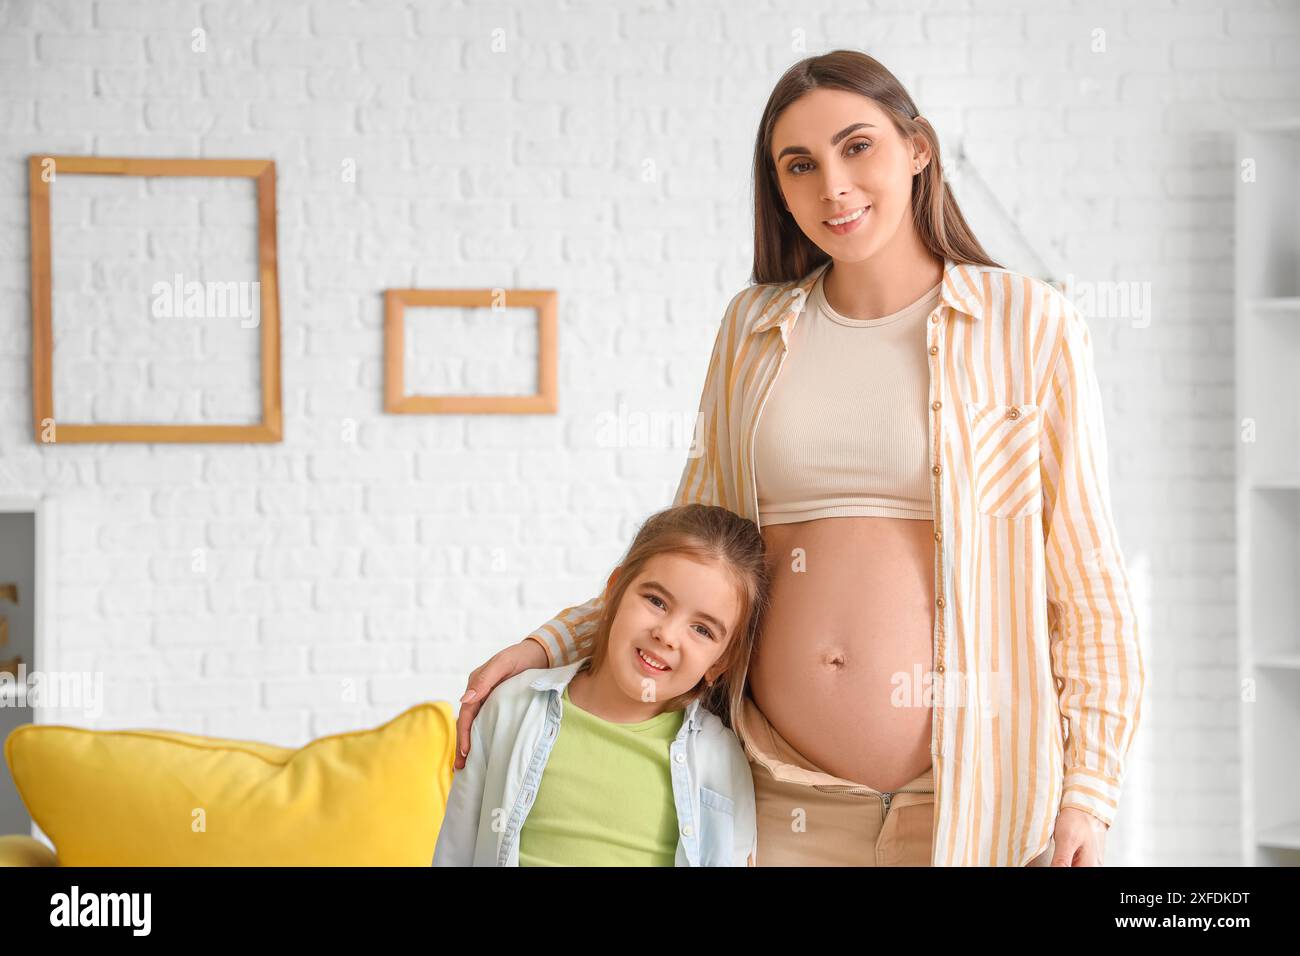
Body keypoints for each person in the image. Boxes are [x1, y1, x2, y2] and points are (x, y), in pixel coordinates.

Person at [452, 49, 1145, 867]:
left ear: (918, 148)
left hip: (977, 803)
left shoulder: (1028, 323)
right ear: (778, 187)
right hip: (775, 799)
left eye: (859, 148)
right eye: (800, 165)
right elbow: (692, 553)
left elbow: (1085, 581)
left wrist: (1089, 796)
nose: (834, 188)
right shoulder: (754, 329)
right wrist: (547, 646)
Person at [433, 504, 768, 866]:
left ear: (719, 663)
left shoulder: (719, 758)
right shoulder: (512, 707)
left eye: (702, 630)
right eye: (656, 601)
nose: (667, 635)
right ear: (614, 592)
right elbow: (456, 849)